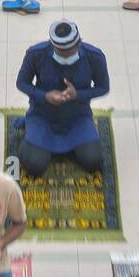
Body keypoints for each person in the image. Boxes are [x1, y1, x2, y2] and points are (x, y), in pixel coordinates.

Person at [15, 20, 110, 175]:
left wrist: (77, 95)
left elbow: (103, 87)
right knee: (34, 166)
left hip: (78, 116)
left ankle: (58, 145)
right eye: (60, 52)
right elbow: (22, 83)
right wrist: (45, 96)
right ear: (52, 46)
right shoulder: (36, 54)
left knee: (93, 161)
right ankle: (34, 133)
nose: (65, 57)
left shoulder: (95, 57)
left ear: (79, 43)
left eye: (69, 52)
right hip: (42, 115)